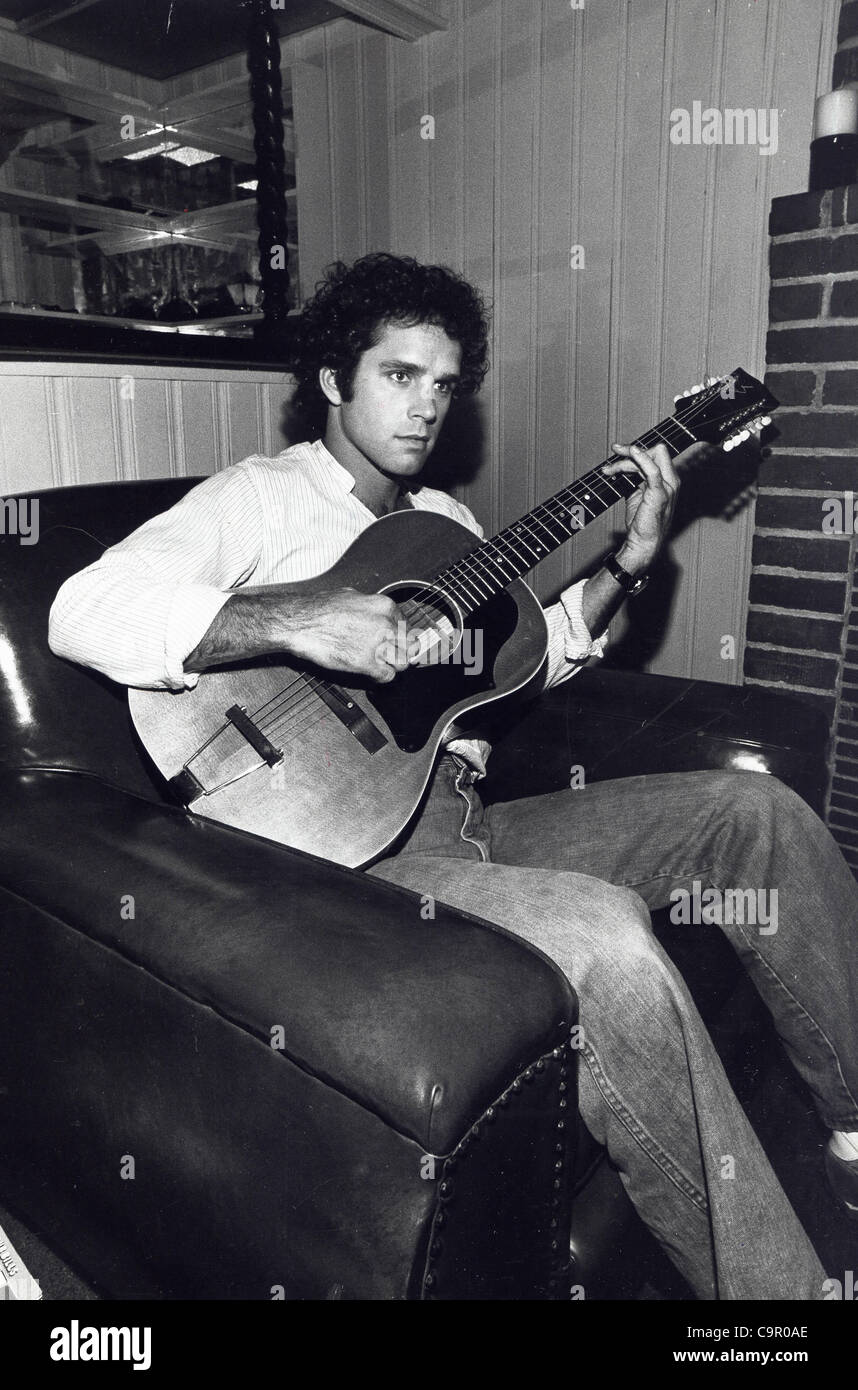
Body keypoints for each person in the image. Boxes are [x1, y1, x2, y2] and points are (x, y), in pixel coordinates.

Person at [49, 252, 858, 1300]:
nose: (428, 404)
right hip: (352, 857)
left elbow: (534, 659)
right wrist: (305, 621)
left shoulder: (449, 529)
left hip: (465, 824)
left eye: (445, 383)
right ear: (336, 380)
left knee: (754, 808)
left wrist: (629, 559)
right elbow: (83, 607)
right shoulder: (261, 499)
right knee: (608, 941)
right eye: (400, 375)